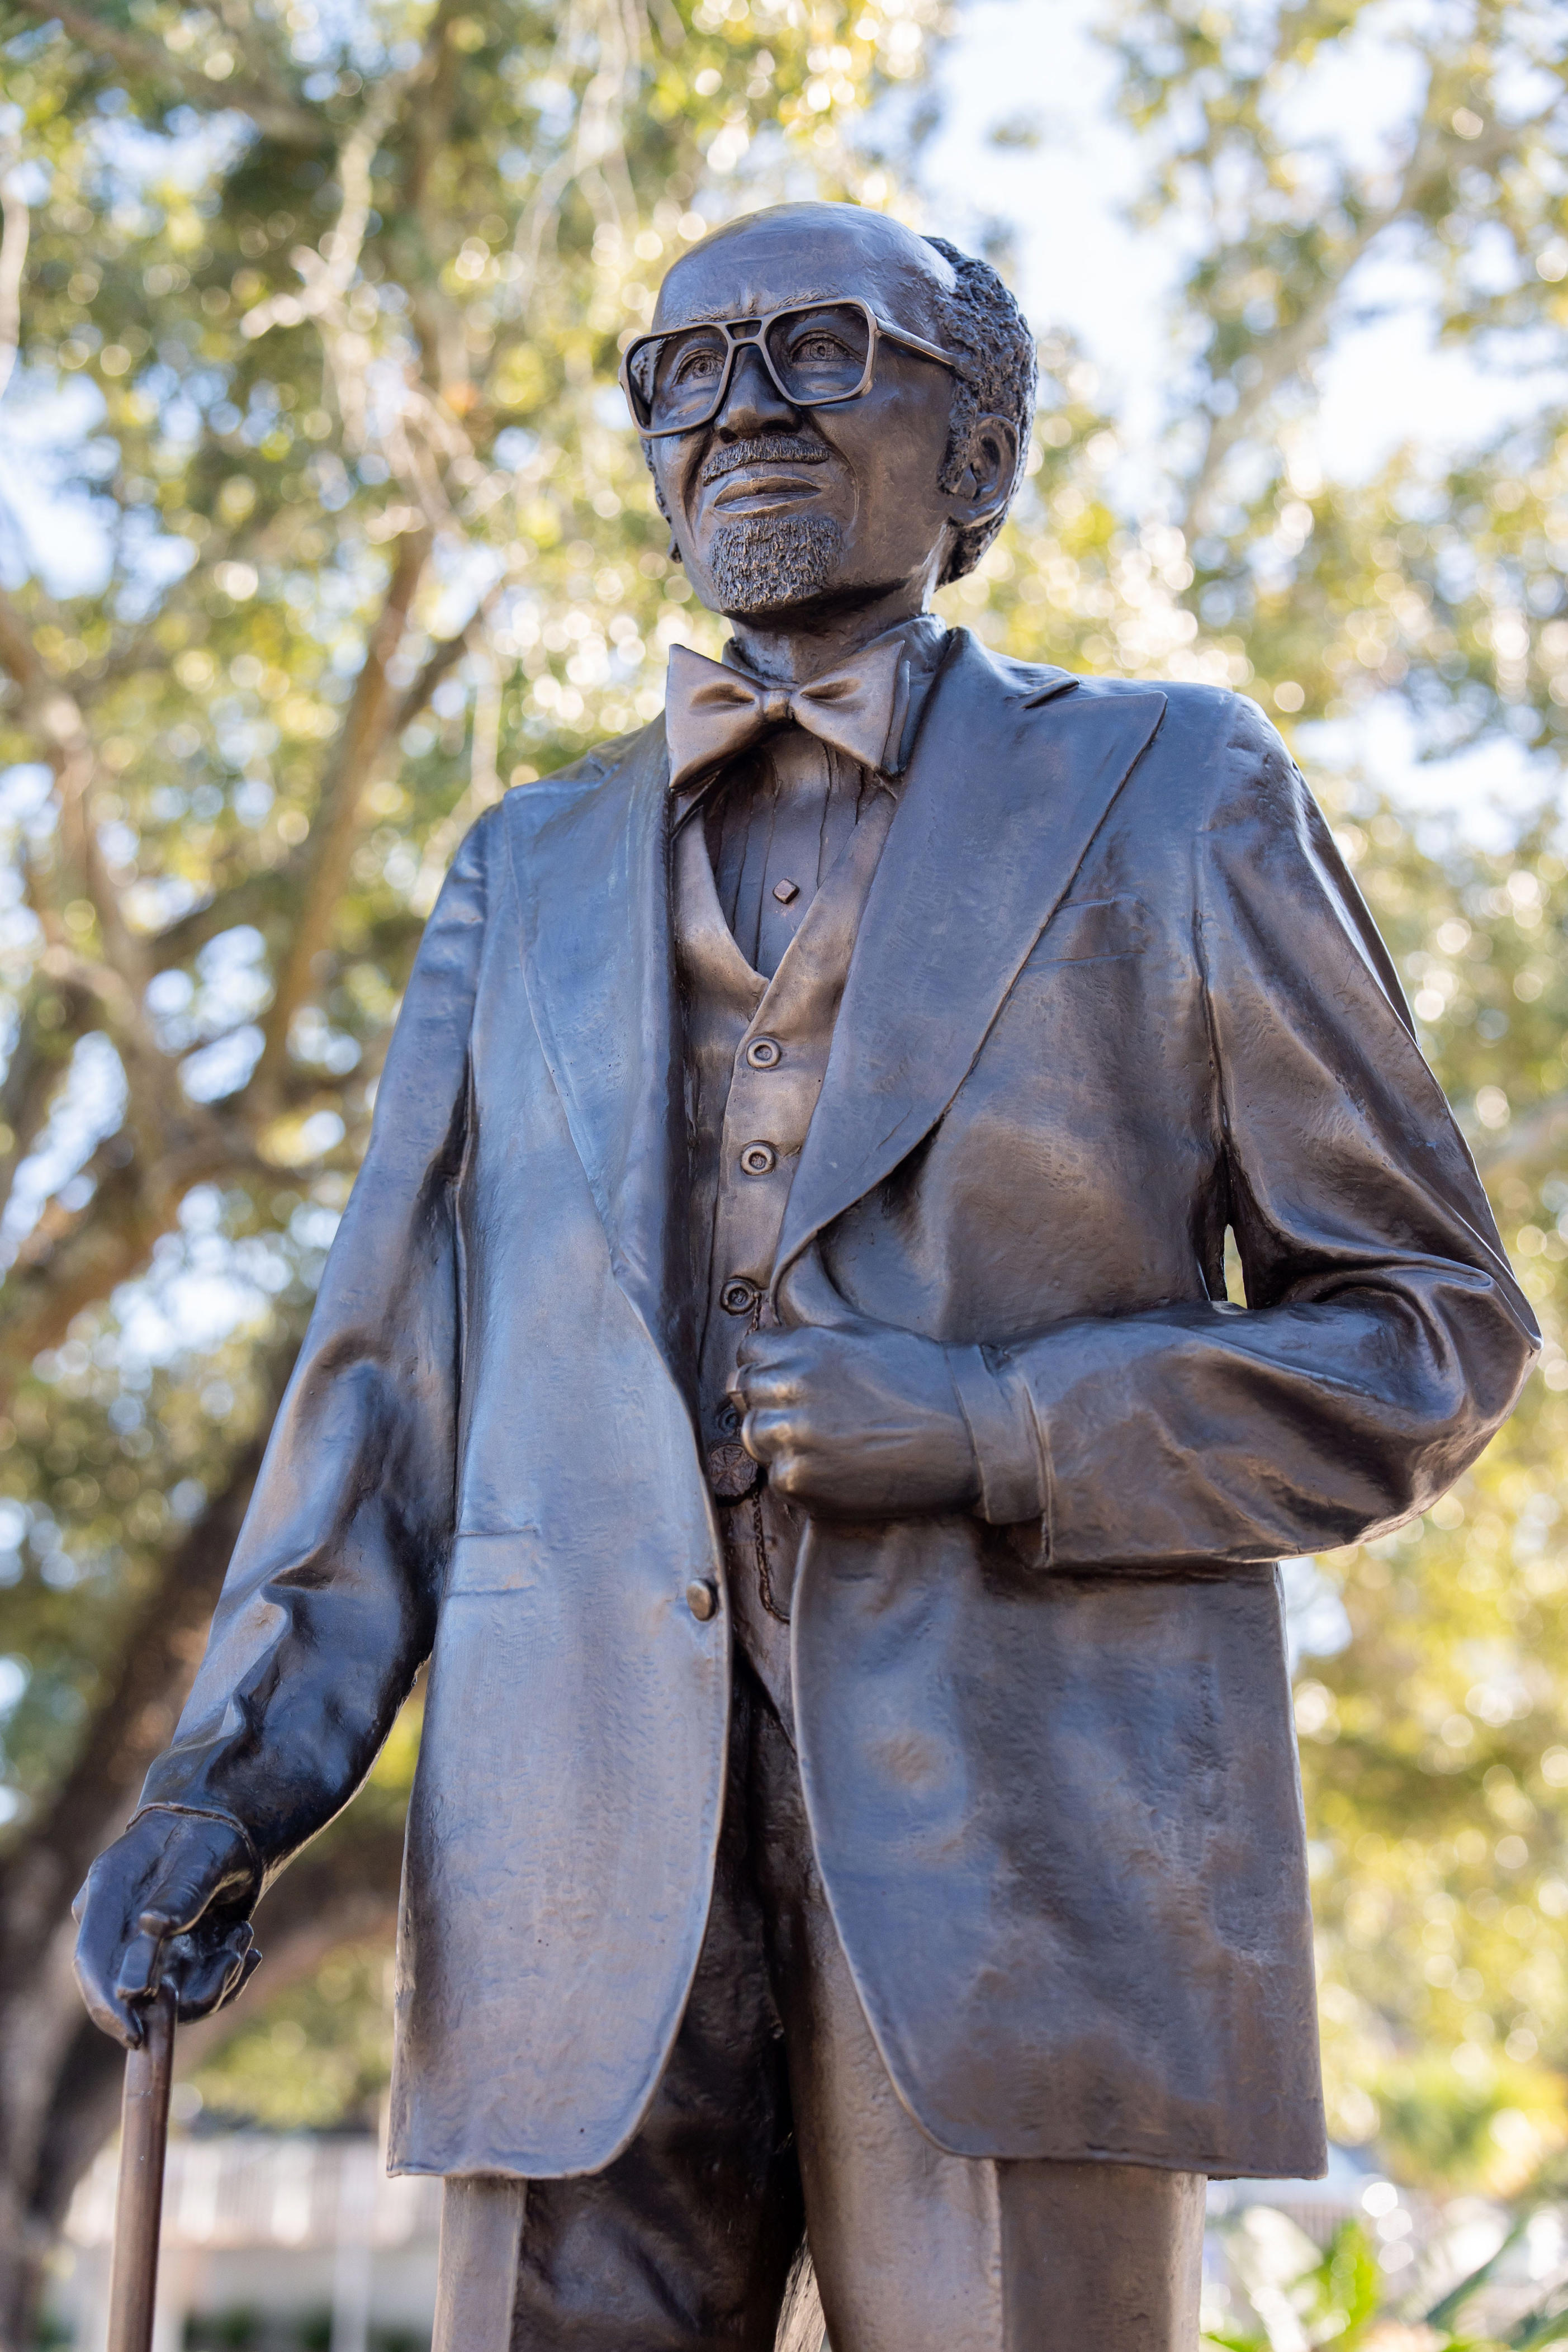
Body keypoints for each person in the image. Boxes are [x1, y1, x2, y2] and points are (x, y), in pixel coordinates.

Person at [75, 201, 1538, 2352]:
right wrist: (227, 1780)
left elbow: (1431, 1333)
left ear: (979, 452)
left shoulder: (1173, 790)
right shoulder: (523, 868)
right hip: (564, 1902)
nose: (741, 408)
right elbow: (390, 1386)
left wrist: (996, 1427)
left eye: (823, 349)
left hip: (1035, 1891)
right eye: (685, 369)